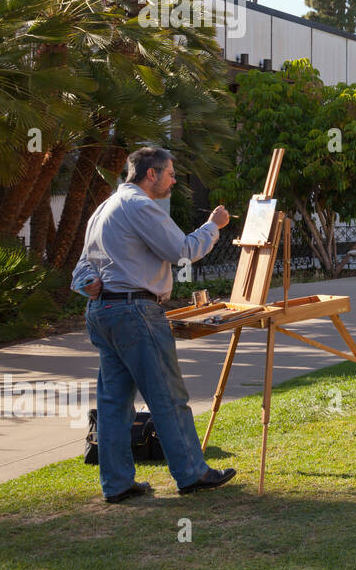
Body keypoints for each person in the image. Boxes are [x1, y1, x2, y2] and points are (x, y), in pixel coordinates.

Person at [72, 147, 237, 503]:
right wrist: (214, 225)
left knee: (114, 404)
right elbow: (182, 250)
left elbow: (81, 268)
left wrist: (90, 283)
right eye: (171, 174)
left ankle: (116, 484)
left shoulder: (105, 208)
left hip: (103, 313)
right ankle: (192, 473)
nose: (174, 180)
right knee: (167, 396)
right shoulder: (140, 205)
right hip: (134, 312)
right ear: (151, 174)